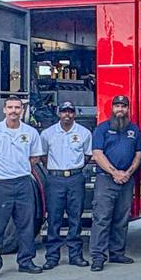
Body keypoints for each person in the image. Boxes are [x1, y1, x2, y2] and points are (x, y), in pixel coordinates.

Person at [0, 96, 46, 280]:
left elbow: (35, 158)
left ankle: (26, 262)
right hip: (1, 186)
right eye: (10, 107)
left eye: (17, 107)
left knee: (26, 226)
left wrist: (19, 168)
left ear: (22, 110)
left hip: (23, 184)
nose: (14, 110)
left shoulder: (30, 133)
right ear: (4, 110)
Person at [89, 95, 141, 271]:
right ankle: (98, 256)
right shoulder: (102, 129)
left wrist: (127, 173)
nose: (120, 109)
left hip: (127, 180)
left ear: (128, 109)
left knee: (121, 218)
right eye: (117, 106)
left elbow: (139, 154)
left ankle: (117, 253)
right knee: (102, 218)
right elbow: (97, 154)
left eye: (124, 106)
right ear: (112, 109)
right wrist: (115, 172)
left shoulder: (134, 130)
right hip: (106, 179)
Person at [39, 101, 92, 270]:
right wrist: (56, 170)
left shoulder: (84, 133)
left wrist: (73, 169)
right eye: (64, 111)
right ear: (58, 113)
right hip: (55, 179)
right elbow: (43, 156)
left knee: (75, 218)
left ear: (75, 114)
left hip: (75, 178)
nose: (67, 115)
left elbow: (87, 156)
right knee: (54, 218)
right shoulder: (48, 134)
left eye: (70, 111)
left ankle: (75, 255)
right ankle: (52, 256)